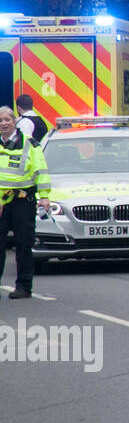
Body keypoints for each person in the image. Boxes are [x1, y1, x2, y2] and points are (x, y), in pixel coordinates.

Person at [0, 106, 51, 299]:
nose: (4, 123)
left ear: (14, 122)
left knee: (23, 244)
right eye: (0, 120)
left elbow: (41, 171)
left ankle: (23, 286)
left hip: (23, 200)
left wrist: (44, 196)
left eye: (7, 119)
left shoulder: (30, 144)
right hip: (1, 203)